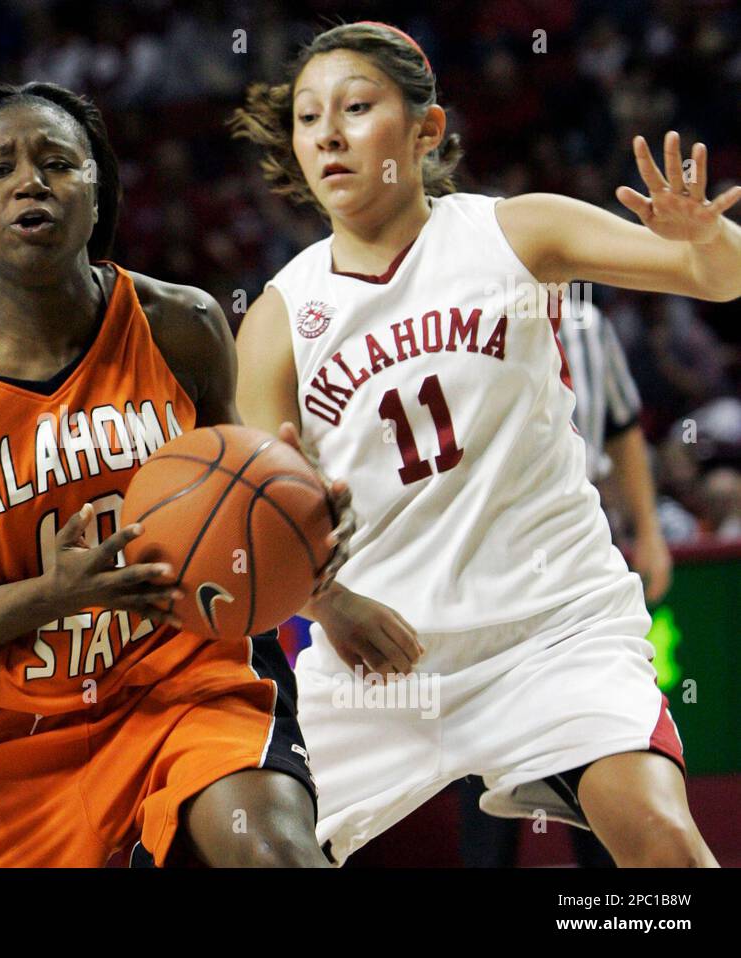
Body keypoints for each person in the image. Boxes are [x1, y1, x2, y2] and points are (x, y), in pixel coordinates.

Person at [231, 21, 738, 866]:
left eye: (356, 108)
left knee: (664, 850)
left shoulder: (516, 233)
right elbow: (263, 520)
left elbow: (714, 278)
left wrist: (706, 237)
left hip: (553, 630)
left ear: (426, 131)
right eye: (309, 118)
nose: (328, 134)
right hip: (378, 658)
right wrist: (329, 605)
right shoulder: (280, 319)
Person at [0, 82, 350, 867]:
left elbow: (251, 515)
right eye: (0, 170)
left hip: (184, 684)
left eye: (59, 163)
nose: (32, 182)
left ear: (97, 198)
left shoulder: (182, 326)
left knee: (274, 856)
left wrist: (310, 536)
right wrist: (60, 595)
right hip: (6, 733)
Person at [458, 299, 671, 867]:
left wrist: (649, 530)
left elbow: (624, 429)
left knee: (602, 743)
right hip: (491, 572)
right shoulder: (455, 321)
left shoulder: (587, 324)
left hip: (583, 553)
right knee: (484, 771)